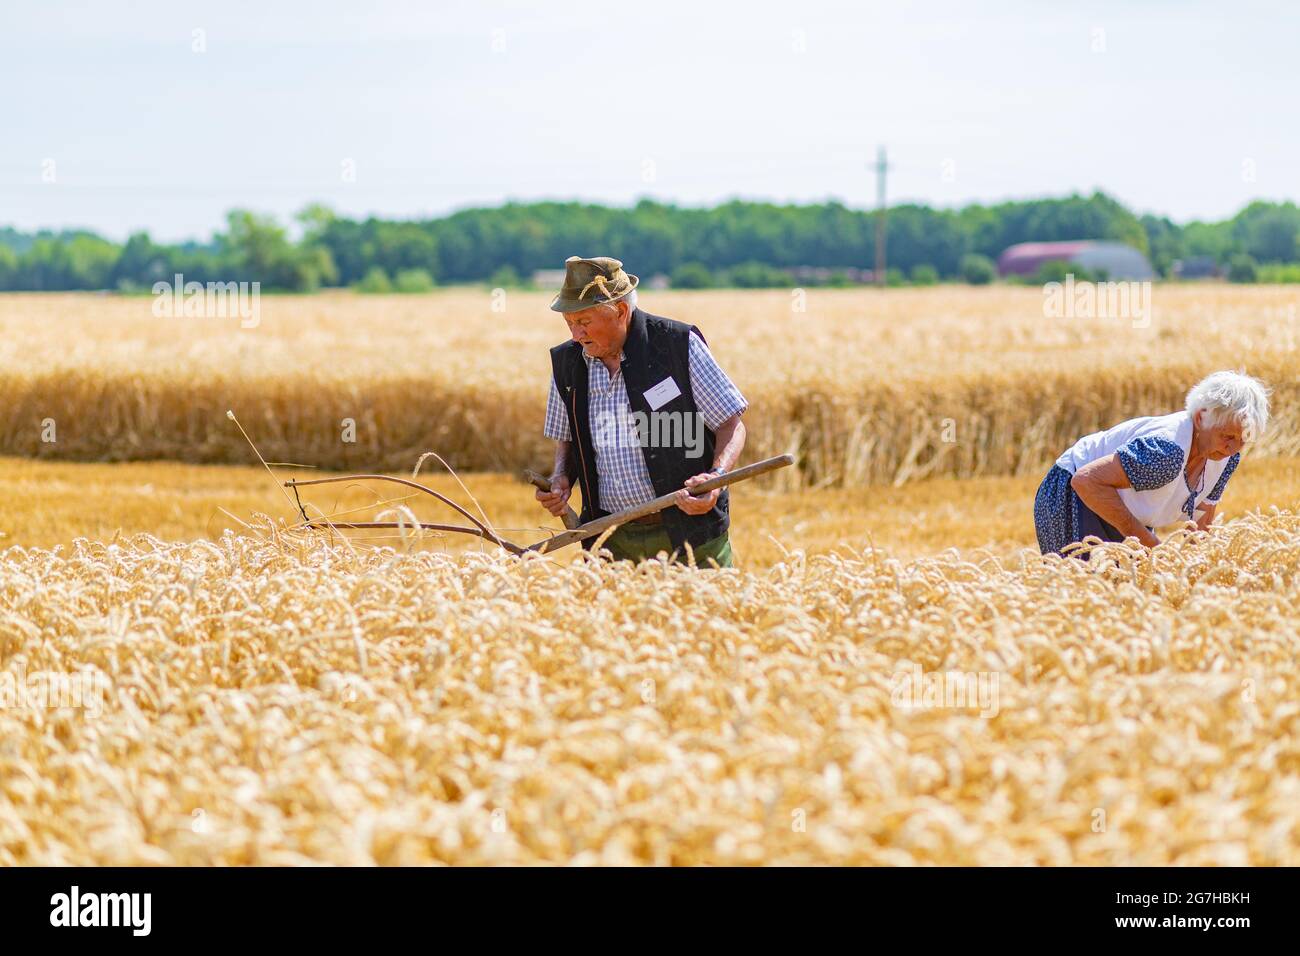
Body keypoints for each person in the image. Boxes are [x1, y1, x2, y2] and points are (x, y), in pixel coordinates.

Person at [536, 256, 748, 566]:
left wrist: (715, 478)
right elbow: (568, 439)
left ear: (620, 311)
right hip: (610, 541)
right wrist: (560, 478)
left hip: (689, 536)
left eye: (583, 322)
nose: (575, 335)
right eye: (569, 323)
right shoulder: (568, 363)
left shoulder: (676, 345)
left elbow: (731, 423)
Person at [1034, 370, 1271, 556]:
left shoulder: (1227, 457)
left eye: (1242, 441)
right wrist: (1151, 546)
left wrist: (1196, 567)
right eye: (1227, 436)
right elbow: (1086, 481)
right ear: (1201, 418)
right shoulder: (1167, 451)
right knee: (1086, 589)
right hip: (1070, 493)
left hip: (1119, 504)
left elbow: (1203, 515)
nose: (1233, 448)